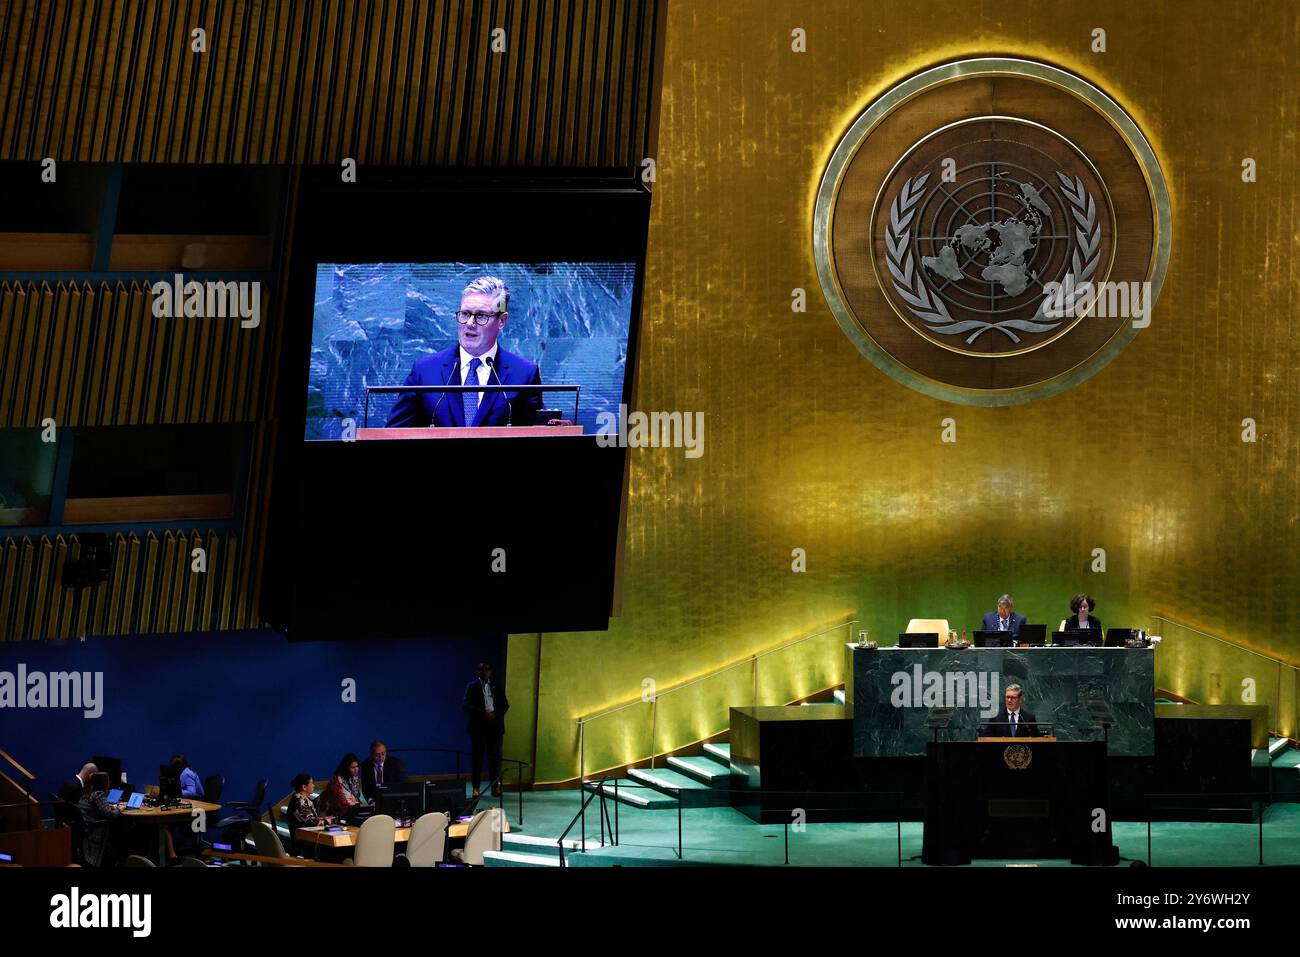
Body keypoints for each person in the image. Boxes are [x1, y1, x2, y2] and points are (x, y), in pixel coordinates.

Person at [385, 276, 543, 429]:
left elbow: (539, 433)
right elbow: (394, 433)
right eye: (465, 314)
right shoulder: (425, 371)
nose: (469, 323)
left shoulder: (524, 375)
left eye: (481, 316)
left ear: (501, 320)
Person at [463, 662, 510, 797]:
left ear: (490, 672)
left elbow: (505, 704)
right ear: (478, 672)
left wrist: (495, 713)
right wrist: (483, 712)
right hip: (478, 727)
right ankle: (476, 788)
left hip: (494, 727)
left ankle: (495, 787)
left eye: (487, 669)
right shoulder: (472, 687)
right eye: (482, 669)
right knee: (477, 758)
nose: (485, 672)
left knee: (494, 758)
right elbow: (466, 705)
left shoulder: (497, 686)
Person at [78, 772, 122, 867]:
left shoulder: (86, 793)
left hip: (89, 831)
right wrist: (119, 809)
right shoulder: (98, 794)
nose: (109, 783)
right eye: (108, 781)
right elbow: (110, 815)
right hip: (99, 831)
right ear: (104, 783)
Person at [979, 684, 1043, 738]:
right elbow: (986, 739)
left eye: (1013, 698)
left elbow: (1036, 740)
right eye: (1007, 697)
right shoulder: (995, 717)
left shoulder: (1029, 718)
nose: (1009, 700)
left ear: (1020, 699)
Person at [321, 753, 366, 818]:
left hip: (347, 809)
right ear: (346, 768)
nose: (356, 769)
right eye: (353, 767)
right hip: (329, 811)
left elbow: (355, 798)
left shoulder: (354, 778)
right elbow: (342, 803)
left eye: (357, 766)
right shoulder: (337, 781)